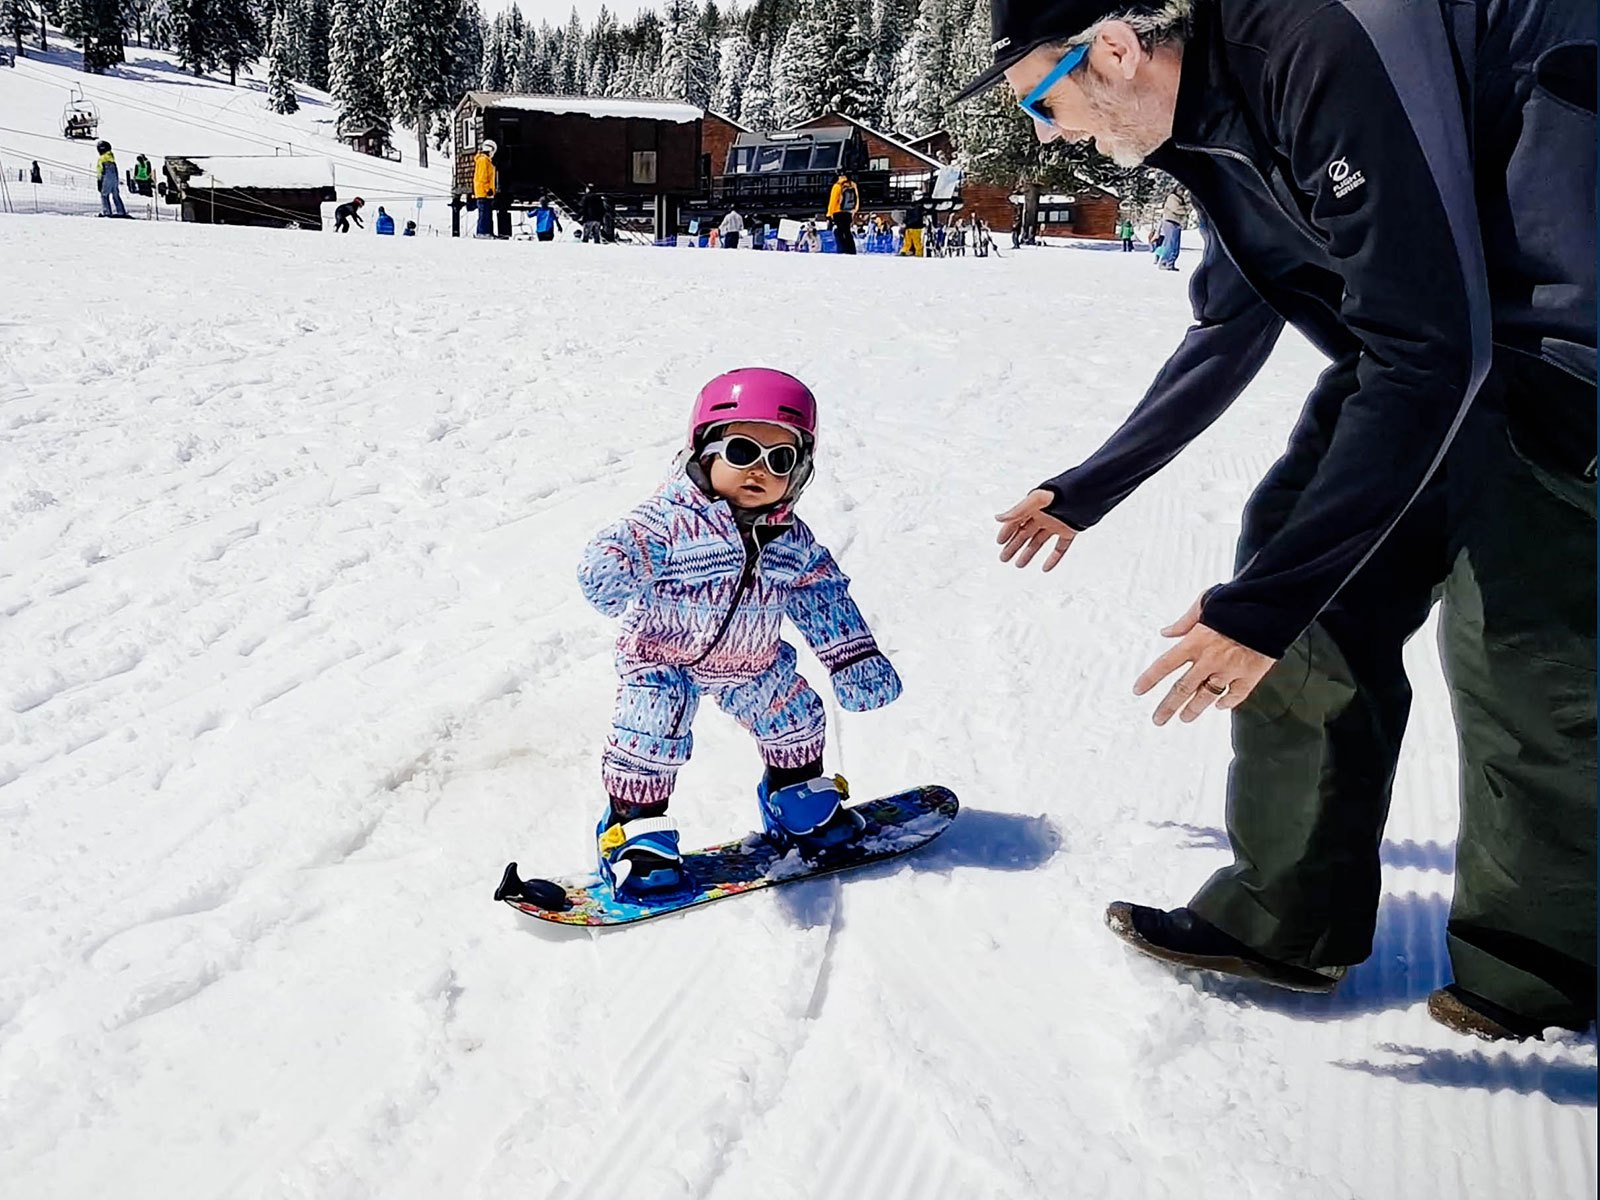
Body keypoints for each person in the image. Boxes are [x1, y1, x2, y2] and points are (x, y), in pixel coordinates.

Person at [963, 0, 1595, 1041]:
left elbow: (1432, 353)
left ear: (1113, 50)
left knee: (1519, 636)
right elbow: (1232, 317)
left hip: (1560, 338)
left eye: (1042, 101)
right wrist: (1089, 488)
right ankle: (1285, 914)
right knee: (1298, 570)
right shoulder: (1220, 116)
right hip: (1434, 340)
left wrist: (1260, 612)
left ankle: (1540, 965)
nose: (1047, 133)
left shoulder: (1322, 39)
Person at [576, 368, 903, 898]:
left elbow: (821, 594)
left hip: (752, 661)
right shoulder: (671, 521)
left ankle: (796, 802)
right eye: (743, 451)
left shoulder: (790, 539)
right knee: (649, 736)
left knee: (796, 718)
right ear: (705, 452)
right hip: (662, 659)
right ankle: (635, 833)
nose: (759, 470)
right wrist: (614, 564)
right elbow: (627, 542)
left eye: (780, 460)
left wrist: (853, 658)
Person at [1154, 189, 1188, 269]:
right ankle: (1164, 262)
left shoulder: (1180, 199)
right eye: (1181, 190)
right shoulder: (1172, 197)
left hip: (1177, 223)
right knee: (1170, 244)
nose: (1182, 192)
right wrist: (1186, 209)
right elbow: (1176, 209)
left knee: (1175, 246)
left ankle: (1170, 263)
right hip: (1170, 221)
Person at [826, 173, 859, 254]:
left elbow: (833, 201)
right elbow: (857, 197)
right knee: (847, 231)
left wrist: (829, 214)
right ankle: (851, 250)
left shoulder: (837, 186)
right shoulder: (852, 185)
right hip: (849, 212)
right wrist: (855, 210)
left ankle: (842, 250)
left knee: (839, 231)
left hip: (838, 212)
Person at [95, 140, 127, 218]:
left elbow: (100, 170)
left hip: (106, 177)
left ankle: (107, 212)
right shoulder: (111, 158)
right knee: (116, 195)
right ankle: (121, 211)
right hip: (114, 177)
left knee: (104, 195)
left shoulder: (101, 159)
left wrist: (99, 181)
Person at [472, 139, 497, 238]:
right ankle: (482, 232)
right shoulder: (483, 160)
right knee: (484, 214)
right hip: (483, 192)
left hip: (485, 193)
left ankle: (487, 232)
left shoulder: (486, 160)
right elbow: (483, 177)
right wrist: (488, 189)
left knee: (487, 213)